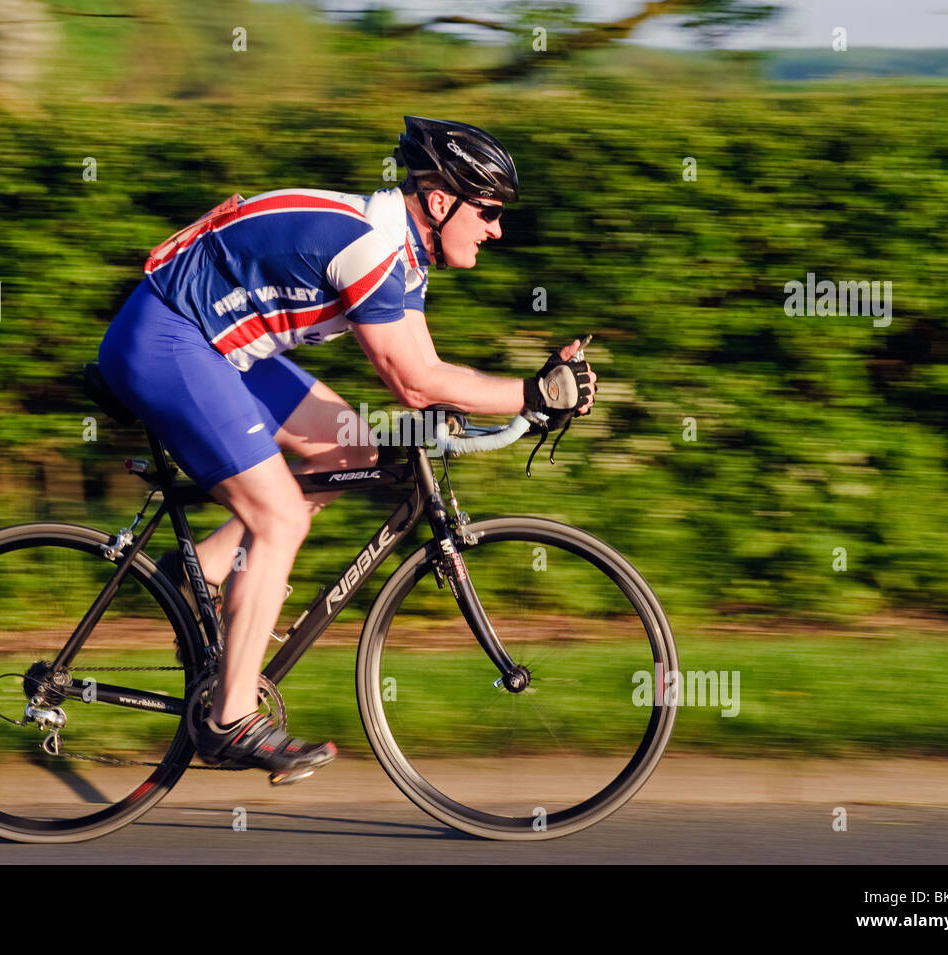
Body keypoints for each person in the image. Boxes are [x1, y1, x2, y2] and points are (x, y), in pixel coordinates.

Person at [97, 116, 596, 784]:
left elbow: (424, 374)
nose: (497, 229)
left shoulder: (400, 251)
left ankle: (204, 568)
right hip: (170, 341)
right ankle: (230, 719)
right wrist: (534, 392)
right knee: (281, 516)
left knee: (347, 446)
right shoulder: (373, 250)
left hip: (218, 345)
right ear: (441, 200)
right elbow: (416, 381)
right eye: (489, 212)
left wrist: (531, 396)